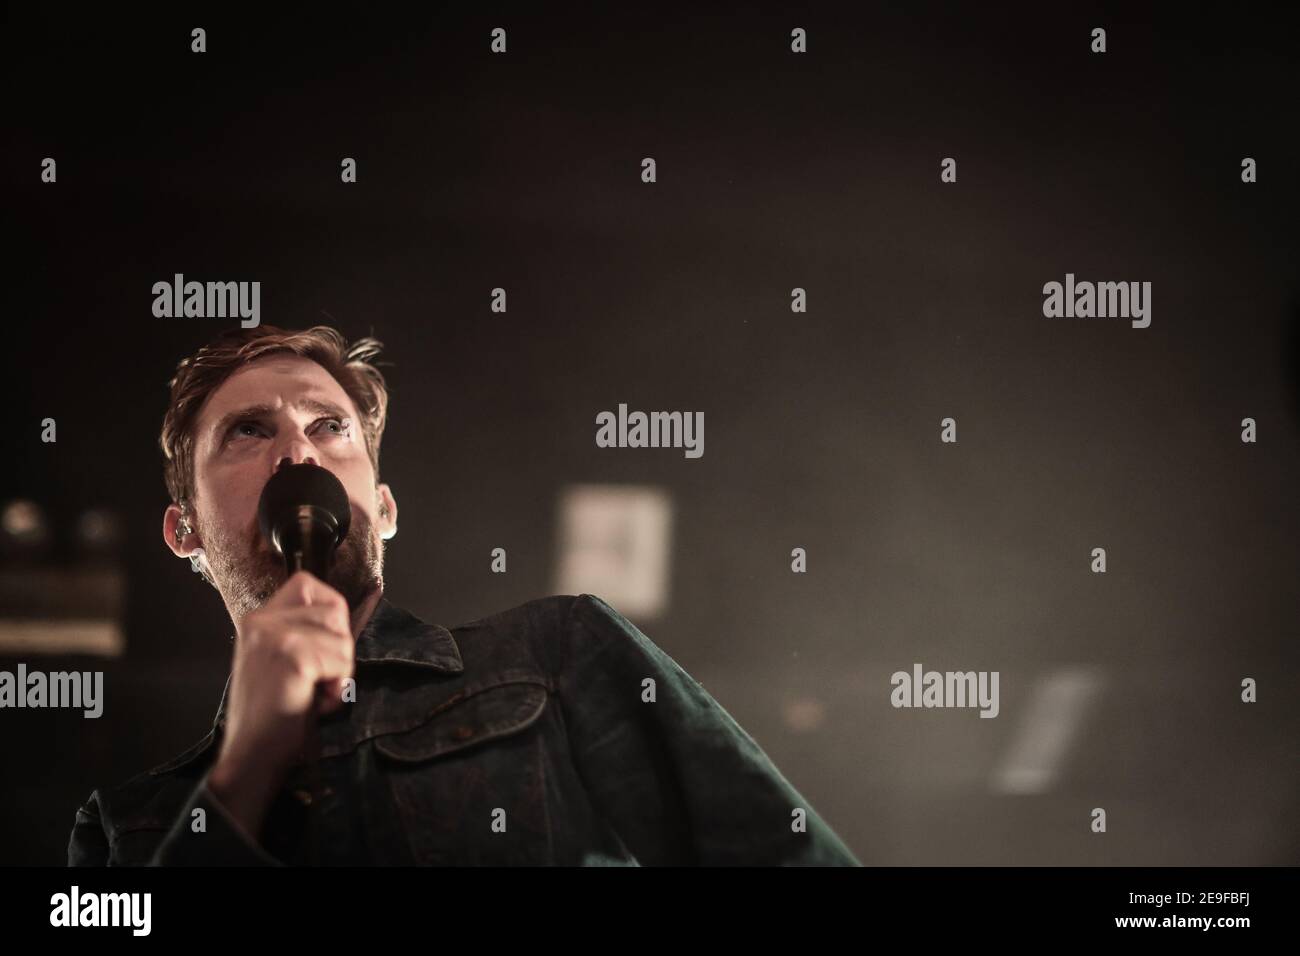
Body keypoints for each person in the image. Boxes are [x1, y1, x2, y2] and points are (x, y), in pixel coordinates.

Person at [66, 325, 860, 866]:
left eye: (330, 427)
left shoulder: (556, 654)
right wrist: (242, 774)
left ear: (382, 508)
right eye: (248, 431)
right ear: (184, 532)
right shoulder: (125, 827)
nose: (297, 451)